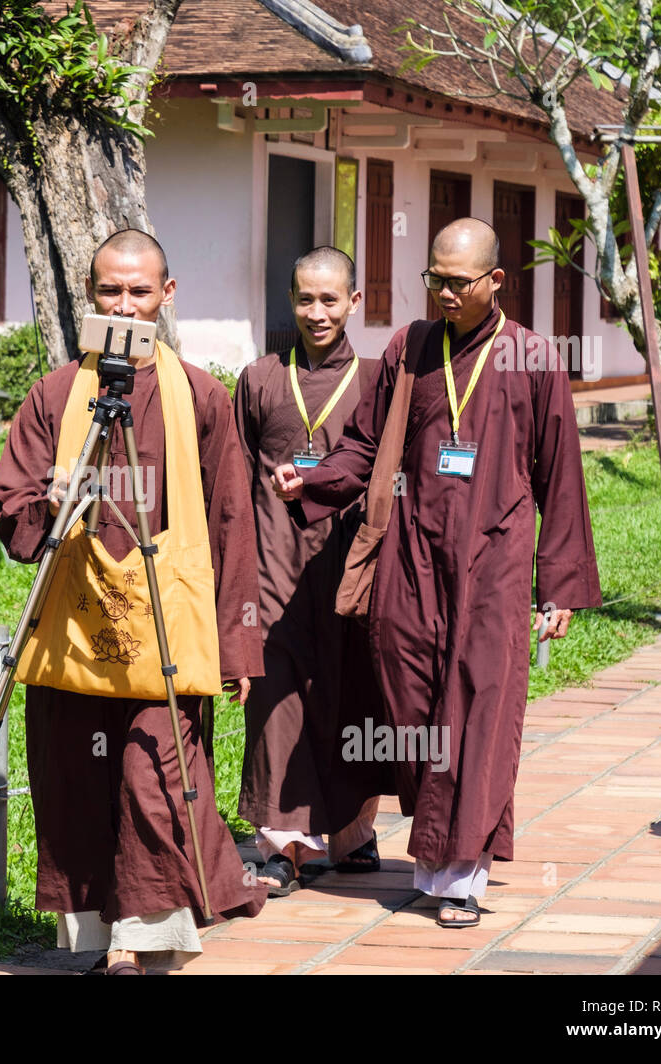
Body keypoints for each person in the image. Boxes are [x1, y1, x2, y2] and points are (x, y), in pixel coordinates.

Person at [272, 218, 601, 927]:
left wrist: (561, 586)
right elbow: (363, 444)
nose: (445, 294)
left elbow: (563, 480)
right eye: (435, 280)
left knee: (480, 708)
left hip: (495, 562)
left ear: (494, 282)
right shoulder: (411, 348)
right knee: (416, 706)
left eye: (458, 282)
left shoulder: (532, 358)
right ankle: (436, 857)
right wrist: (314, 482)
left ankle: (460, 877)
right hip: (410, 559)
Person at [0, 229, 266, 973]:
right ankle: (95, 940)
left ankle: (153, 946)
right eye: (110, 291)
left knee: (156, 782)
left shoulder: (201, 395)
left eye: (139, 291)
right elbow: (12, 507)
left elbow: (232, 522)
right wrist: (49, 508)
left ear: (167, 296)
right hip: (77, 633)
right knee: (78, 784)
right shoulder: (55, 394)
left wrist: (239, 641)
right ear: (90, 295)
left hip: (169, 634)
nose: (124, 305)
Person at [234, 247, 394, 895]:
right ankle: (280, 842)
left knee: (356, 694)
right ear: (290, 300)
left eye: (331, 299)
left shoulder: (381, 378)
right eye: (305, 298)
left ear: (355, 300)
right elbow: (235, 482)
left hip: (353, 567)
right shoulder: (260, 378)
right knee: (275, 700)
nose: (317, 312)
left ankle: (355, 831)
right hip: (274, 565)